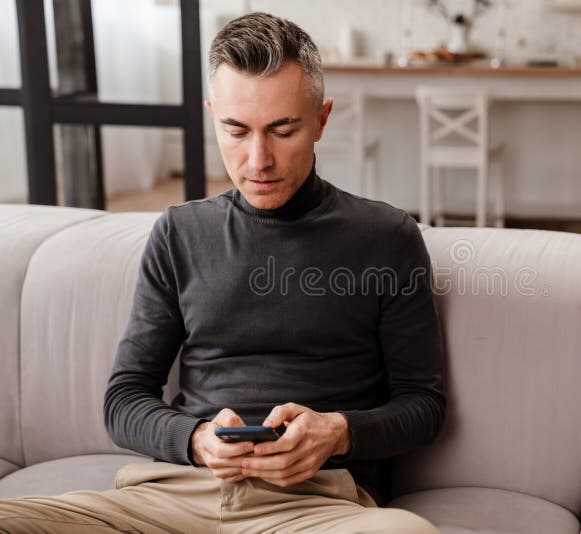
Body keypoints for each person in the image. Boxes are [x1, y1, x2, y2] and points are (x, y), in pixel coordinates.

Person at [0, 12, 444, 533]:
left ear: (321, 120)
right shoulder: (180, 233)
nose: (258, 160)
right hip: (173, 498)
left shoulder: (386, 238)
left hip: (317, 507)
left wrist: (338, 432)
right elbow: (124, 399)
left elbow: (424, 404)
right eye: (236, 130)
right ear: (213, 117)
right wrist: (195, 439)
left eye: (283, 130)